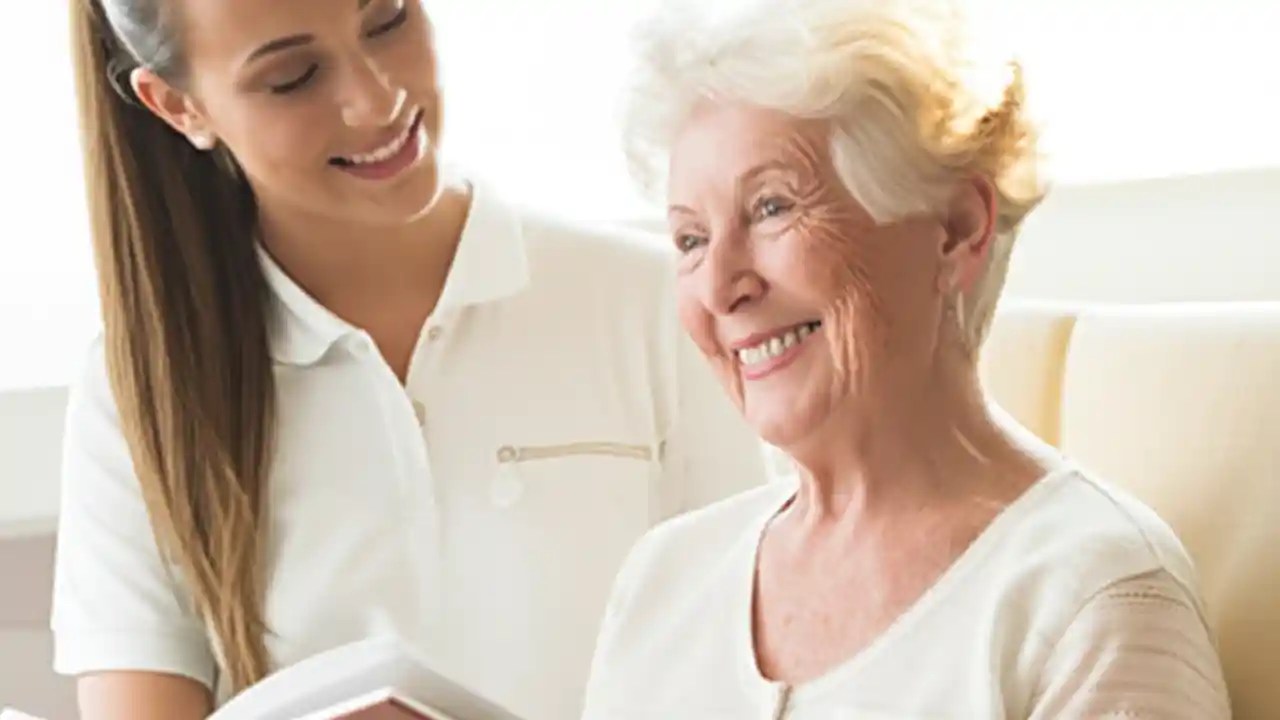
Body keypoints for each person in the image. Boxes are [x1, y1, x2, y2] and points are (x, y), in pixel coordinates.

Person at [53, 1, 768, 718]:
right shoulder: (139, 395)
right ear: (178, 106)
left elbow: (740, 672)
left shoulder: (650, 304)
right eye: (293, 76)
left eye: (387, 20)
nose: (377, 98)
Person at [582, 0, 1232, 717]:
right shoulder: (663, 578)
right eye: (689, 239)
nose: (719, 287)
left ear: (956, 229)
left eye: (771, 207)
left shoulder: (1094, 600)